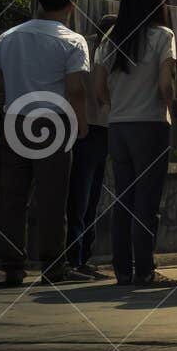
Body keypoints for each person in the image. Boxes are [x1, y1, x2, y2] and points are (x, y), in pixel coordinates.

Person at [0, 0, 90, 286]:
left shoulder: (9, 36)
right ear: (72, 4)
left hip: (14, 118)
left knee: (12, 196)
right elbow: (75, 89)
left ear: (39, 1)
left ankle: (12, 265)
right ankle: (52, 265)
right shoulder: (73, 41)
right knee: (52, 196)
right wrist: (82, 123)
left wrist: (18, 86)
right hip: (54, 122)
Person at [91, 0, 177, 287]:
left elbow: (98, 90)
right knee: (147, 201)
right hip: (151, 126)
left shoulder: (110, 36)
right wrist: (171, 104)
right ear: (157, 1)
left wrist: (119, 103)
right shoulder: (162, 36)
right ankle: (145, 270)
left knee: (123, 198)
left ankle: (123, 270)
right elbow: (165, 85)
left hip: (118, 127)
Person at [65, 15, 112, 280]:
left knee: (83, 196)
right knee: (86, 197)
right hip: (93, 128)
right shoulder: (109, 50)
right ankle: (77, 259)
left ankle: (80, 258)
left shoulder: (84, 47)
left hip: (85, 127)